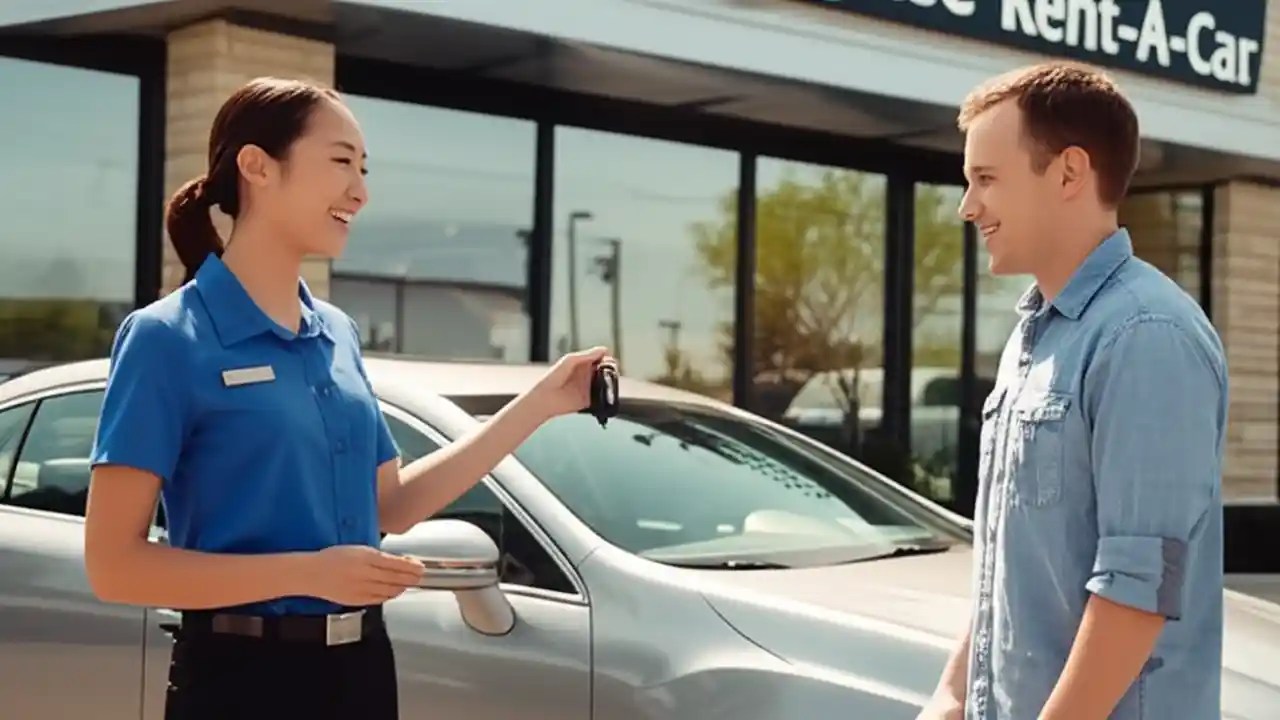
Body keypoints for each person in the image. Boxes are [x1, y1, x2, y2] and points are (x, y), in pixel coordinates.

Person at [83, 76, 617, 720]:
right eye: (340, 162)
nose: (359, 191)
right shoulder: (166, 338)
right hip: (237, 683)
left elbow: (391, 505)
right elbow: (115, 565)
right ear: (257, 166)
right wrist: (307, 574)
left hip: (362, 672)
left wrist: (540, 403)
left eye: (363, 169)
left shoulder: (337, 332)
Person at [918, 62, 1228, 720]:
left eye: (986, 179)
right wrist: (950, 696)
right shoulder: (1034, 337)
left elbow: (1134, 595)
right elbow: (1012, 568)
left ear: (1067, 173)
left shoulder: (1148, 337)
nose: (966, 206)